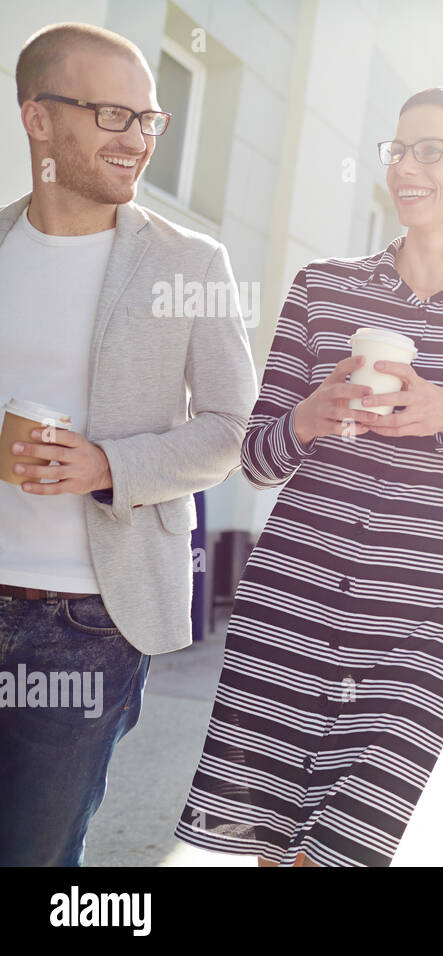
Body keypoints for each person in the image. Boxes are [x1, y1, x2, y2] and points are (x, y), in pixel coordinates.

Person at [173, 87, 443, 867]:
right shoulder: (323, 287)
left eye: (429, 151)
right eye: (397, 149)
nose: (404, 166)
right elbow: (256, 457)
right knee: (275, 849)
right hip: (292, 598)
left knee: (340, 852)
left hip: (416, 626)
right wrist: (313, 414)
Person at [0, 22, 258, 865]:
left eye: (150, 120)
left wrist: (111, 465)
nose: (138, 140)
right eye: (115, 116)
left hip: (88, 621)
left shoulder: (191, 261)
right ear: (39, 119)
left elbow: (229, 427)